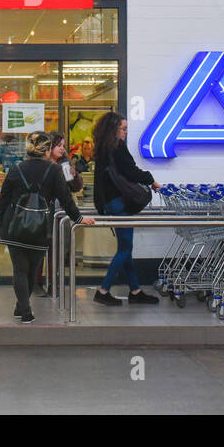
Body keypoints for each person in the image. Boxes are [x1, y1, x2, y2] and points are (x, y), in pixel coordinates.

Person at [0, 132, 94, 323]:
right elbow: (66, 199)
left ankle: (23, 307)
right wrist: (78, 218)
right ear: (48, 150)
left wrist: (3, 222)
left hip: (16, 227)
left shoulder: (16, 169)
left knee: (19, 269)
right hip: (41, 228)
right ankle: (24, 307)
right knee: (33, 269)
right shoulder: (54, 170)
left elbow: (4, 198)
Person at [91, 111, 160, 306]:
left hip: (108, 202)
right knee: (125, 248)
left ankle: (136, 291)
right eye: (123, 129)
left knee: (124, 248)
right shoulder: (117, 147)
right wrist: (152, 181)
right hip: (119, 203)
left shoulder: (103, 148)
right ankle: (103, 290)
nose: (125, 133)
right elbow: (131, 171)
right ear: (114, 129)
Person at [37, 131, 85, 292]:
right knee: (39, 248)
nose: (62, 149)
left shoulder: (65, 164)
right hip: (42, 211)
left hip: (59, 213)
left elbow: (75, 187)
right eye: (59, 145)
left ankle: (52, 282)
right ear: (50, 146)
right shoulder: (40, 163)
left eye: (63, 146)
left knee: (56, 249)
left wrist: (74, 175)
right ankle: (37, 282)